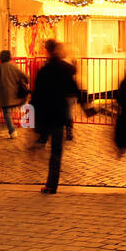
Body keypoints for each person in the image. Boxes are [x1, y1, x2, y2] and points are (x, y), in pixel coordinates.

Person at [32, 42, 83, 193]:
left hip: (47, 113)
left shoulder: (45, 70)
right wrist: (86, 107)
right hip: (60, 113)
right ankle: (51, 184)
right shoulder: (65, 69)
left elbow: (37, 94)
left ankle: (39, 142)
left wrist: (32, 114)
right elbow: (75, 89)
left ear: (48, 52)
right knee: (56, 150)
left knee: (48, 141)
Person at [0, 51, 30, 139]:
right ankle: (5, 127)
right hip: (15, 94)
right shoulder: (14, 67)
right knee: (8, 112)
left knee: (6, 112)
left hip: (4, 95)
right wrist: (26, 82)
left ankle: (12, 131)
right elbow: (24, 76)